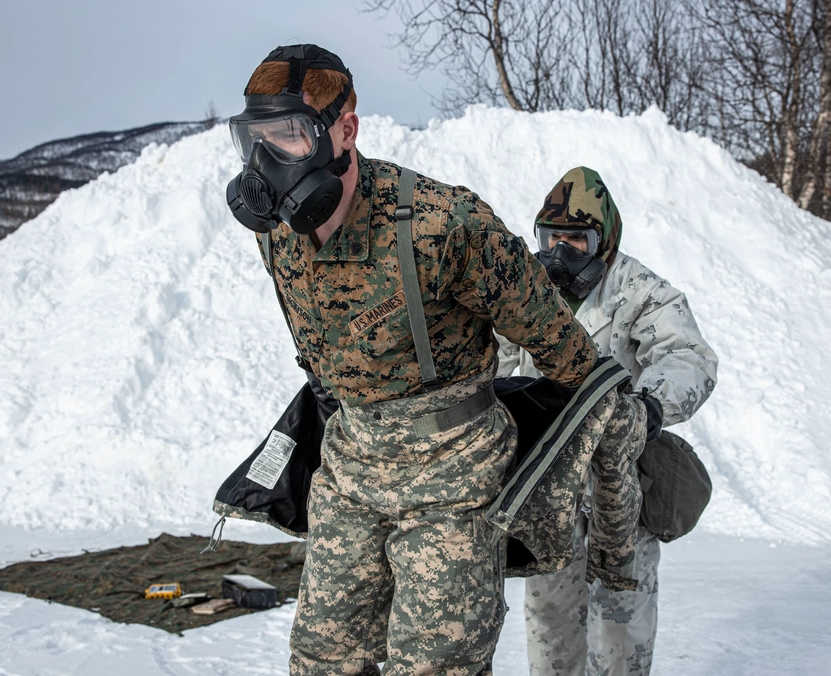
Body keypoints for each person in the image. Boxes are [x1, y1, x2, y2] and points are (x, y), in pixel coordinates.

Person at [225, 44, 605, 675]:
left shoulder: (444, 226)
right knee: (321, 660)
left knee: (434, 667)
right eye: (255, 139)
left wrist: (595, 424)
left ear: (344, 129)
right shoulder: (278, 236)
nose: (267, 161)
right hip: (351, 469)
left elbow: (558, 342)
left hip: (454, 476)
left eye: (289, 136)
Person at [497, 167, 719, 676]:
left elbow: (688, 356)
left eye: (579, 237)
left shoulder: (637, 289)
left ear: (606, 238)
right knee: (549, 617)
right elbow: (495, 359)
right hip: (547, 490)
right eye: (553, 236)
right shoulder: (530, 292)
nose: (563, 249)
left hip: (617, 490)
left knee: (620, 624)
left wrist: (649, 407)